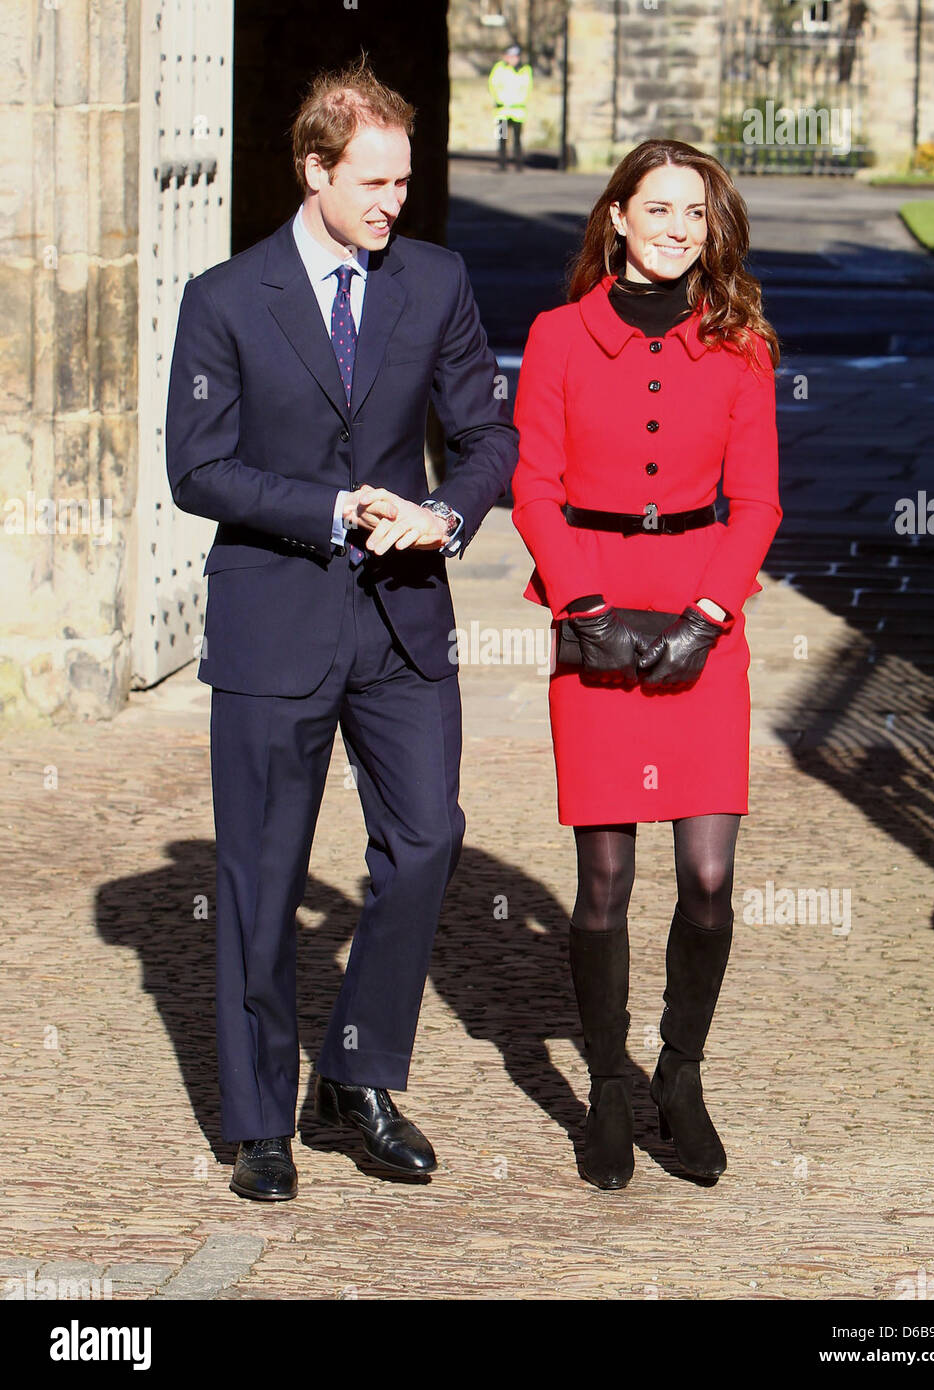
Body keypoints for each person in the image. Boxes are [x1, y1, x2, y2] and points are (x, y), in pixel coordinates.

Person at [165, 57, 517, 1201]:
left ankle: (355, 1076)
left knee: (425, 842)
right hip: (274, 620)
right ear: (315, 171)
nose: (391, 204)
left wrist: (447, 512)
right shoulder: (225, 298)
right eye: (372, 181)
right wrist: (329, 509)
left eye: (403, 183)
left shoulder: (437, 281)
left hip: (404, 620)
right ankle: (262, 1115)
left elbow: (485, 437)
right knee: (261, 875)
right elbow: (197, 468)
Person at [510, 139, 781, 1190]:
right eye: (658, 207)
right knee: (602, 886)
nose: (677, 228)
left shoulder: (741, 345)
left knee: (706, 881)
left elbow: (755, 502)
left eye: (695, 214)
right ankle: (608, 1093)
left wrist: (707, 614)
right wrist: (584, 604)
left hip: (702, 606)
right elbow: (531, 484)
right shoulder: (556, 336)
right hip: (593, 602)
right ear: (616, 215)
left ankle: (678, 1072)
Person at [488, 44, 532, 172]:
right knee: (502, 139)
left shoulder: (525, 70)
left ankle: (518, 164)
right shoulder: (499, 68)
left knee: (517, 140)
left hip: (518, 111)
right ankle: (502, 164)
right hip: (502, 111)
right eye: (509, 56)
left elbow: (527, 88)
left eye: (513, 56)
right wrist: (500, 99)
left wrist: (519, 101)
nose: (511, 59)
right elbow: (493, 85)